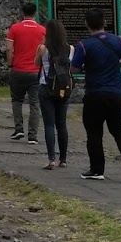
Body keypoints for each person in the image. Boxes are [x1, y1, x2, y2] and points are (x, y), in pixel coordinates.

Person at [72, 9, 121, 182]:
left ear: (87, 25)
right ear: (104, 23)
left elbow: (73, 69)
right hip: (116, 94)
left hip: (95, 94)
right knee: (119, 129)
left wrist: (86, 67)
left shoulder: (84, 45)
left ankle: (97, 170)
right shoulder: (117, 40)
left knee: (94, 132)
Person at [37, 18, 74, 170]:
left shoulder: (43, 48)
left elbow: (36, 63)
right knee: (62, 124)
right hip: (64, 88)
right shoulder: (70, 48)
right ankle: (63, 159)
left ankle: (51, 158)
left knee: (49, 124)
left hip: (46, 87)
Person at [6, 2, 45, 145]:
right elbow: (44, 50)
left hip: (18, 69)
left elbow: (9, 49)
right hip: (35, 71)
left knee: (17, 100)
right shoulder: (42, 30)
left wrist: (10, 63)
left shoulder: (14, 28)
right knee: (34, 103)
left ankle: (18, 128)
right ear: (35, 13)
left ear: (22, 13)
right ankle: (33, 135)